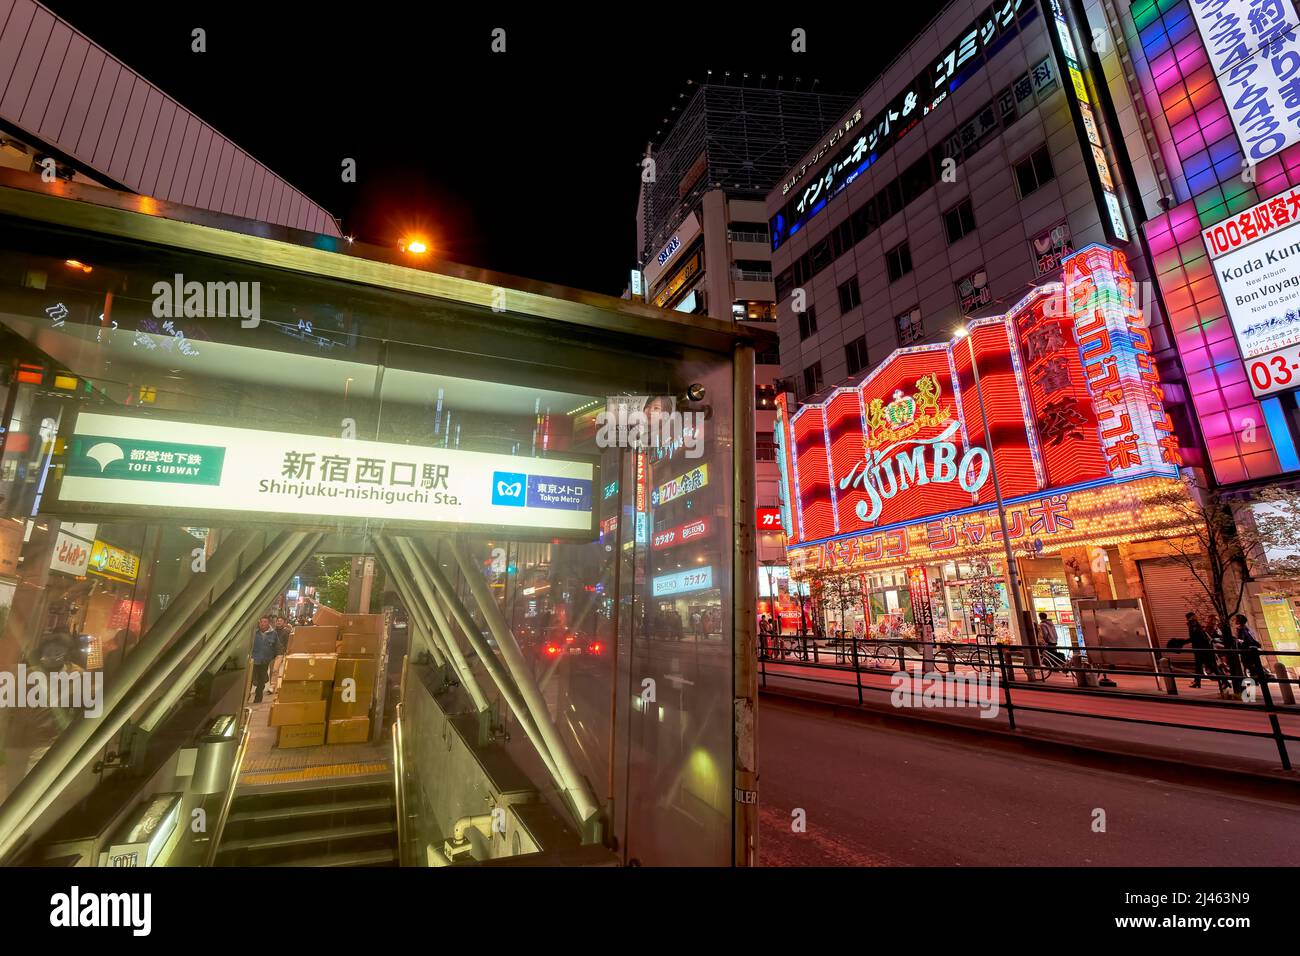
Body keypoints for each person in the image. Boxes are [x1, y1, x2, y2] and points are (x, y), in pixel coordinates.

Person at [1185, 612, 1225, 692]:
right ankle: (1197, 682)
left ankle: (1225, 681)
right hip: (1203, 648)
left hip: (1201, 649)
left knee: (1211, 666)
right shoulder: (1197, 625)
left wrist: (1183, 642)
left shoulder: (1193, 625)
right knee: (1200, 666)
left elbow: (1194, 638)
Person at [250, 616, 279, 704]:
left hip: (265, 661)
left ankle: (258, 699)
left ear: (268, 623)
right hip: (254, 659)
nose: (263, 624)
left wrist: (272, 656)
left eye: (265, 622)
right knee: (250, 679)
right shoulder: (255, 633)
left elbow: (276, 646)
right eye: (261, 622)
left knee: (261, 680)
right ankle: (246, 697)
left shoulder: (273, 633)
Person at [1234, 614, 1267, 685]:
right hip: (1251, 648)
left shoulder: (1241, 629)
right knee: (1252, 664)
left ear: (1239, 621)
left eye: (1236, 619)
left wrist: (1236, 640)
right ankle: (1257, 679)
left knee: (1248, 664)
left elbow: (1242, 640)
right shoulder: (1247, 628)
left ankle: (1255, 680)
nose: (1235, 621)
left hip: (1246, 649)